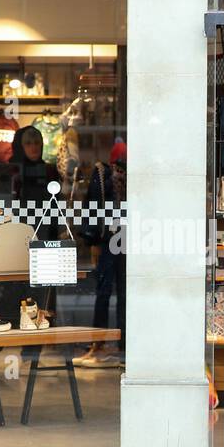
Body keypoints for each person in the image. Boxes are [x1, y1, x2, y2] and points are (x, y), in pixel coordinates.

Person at [75, 140, 127, 368]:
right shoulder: (122, 177)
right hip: (125, 240)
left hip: (110, 241)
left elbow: (93, 208)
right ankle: (121, 344)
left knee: (105, 292)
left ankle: (101, 343)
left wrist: (92, 240)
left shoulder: (103, 175)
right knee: (123, 293)